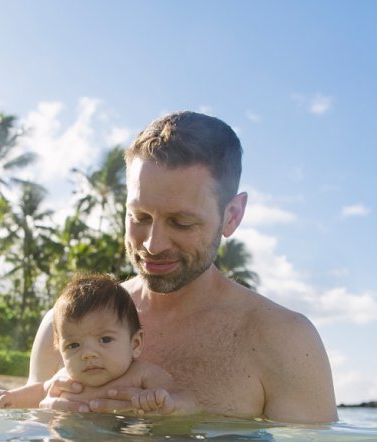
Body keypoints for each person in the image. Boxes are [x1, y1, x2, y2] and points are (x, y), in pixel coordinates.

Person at [28, 111, 338, 424]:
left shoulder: (285, 342)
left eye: (182, 222)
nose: (153, 244)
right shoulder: (68, 325)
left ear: (232, 216)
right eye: (140, 218)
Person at [0, 274, 197, 415]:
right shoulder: (63, 378)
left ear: (135, 344)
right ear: (59, 349)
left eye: (105, 340)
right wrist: (12, 398)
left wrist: (167, 402)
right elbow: (40, 391)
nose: (88, 354)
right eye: (74, 345)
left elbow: (189, 401)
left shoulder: (142, 375)